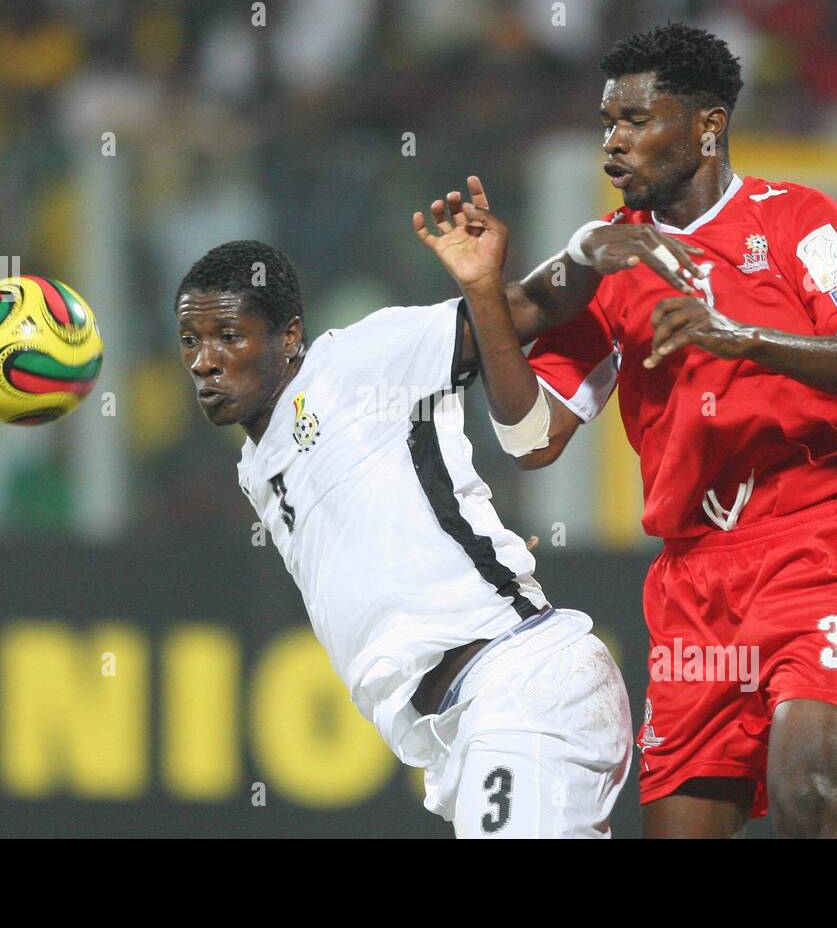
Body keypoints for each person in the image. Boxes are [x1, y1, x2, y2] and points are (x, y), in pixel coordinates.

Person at [424, 23, 837, 838]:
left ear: (707, 126)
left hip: (816, 551)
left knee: (809, 792)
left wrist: (742, 337)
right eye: (608, 121)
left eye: (637, 120)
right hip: (693, 588)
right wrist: (484, 292)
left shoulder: (801, 223)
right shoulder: (611, 265)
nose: (613, 141)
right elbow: (529, 437)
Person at [174, 239, 631, 838]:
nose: (205, 360)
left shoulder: (360, 361)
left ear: (288, 337)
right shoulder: (253, 467)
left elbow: (530, 307)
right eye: (191, 340)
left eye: (229, 336)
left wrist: (594, 250)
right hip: (458, 730)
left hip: (519, 686)